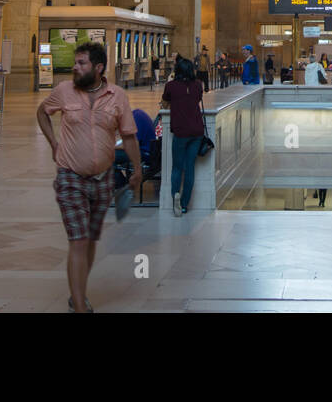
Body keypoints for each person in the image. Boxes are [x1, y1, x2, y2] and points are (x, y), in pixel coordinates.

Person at [36, 41, 139, 313]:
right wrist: (54, 144)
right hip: (70, 177)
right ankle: (80, 305)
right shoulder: (63, 92)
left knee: (91, 239)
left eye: (81, 63)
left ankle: (77, 291)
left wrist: (137, 170)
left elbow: (128, 136)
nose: (75, 67)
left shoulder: (117, 96)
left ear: (98, 67)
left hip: (103, 179)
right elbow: (42, 112)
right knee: (78, 240)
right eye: (75, 62)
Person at [160, 56, 206, 216]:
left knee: (177, 167)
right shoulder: (197, 85)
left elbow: (165, 103)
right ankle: (185, 204)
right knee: (190, 167)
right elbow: (197, 100)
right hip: (197, 131)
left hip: (180, 131)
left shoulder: (171, 86)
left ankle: (175, 197)